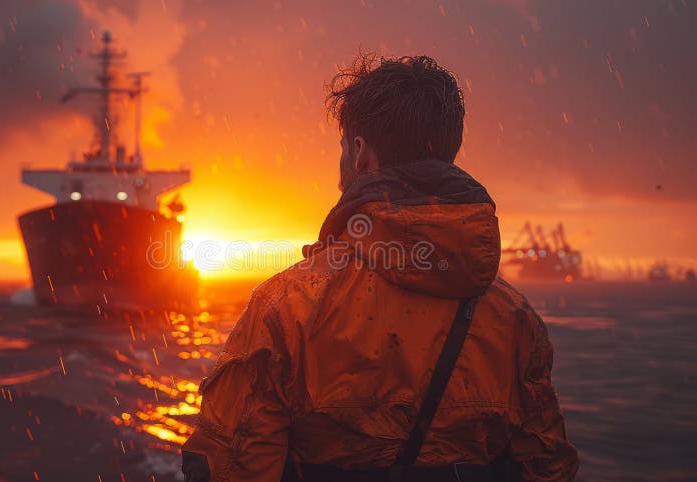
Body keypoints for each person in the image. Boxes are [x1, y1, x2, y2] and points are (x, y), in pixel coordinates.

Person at [182, 54, 578, 481]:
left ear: (359, 153)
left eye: (341, 150)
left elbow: (232, 468)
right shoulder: (516, 321)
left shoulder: (287, 308)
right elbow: (547, 467)